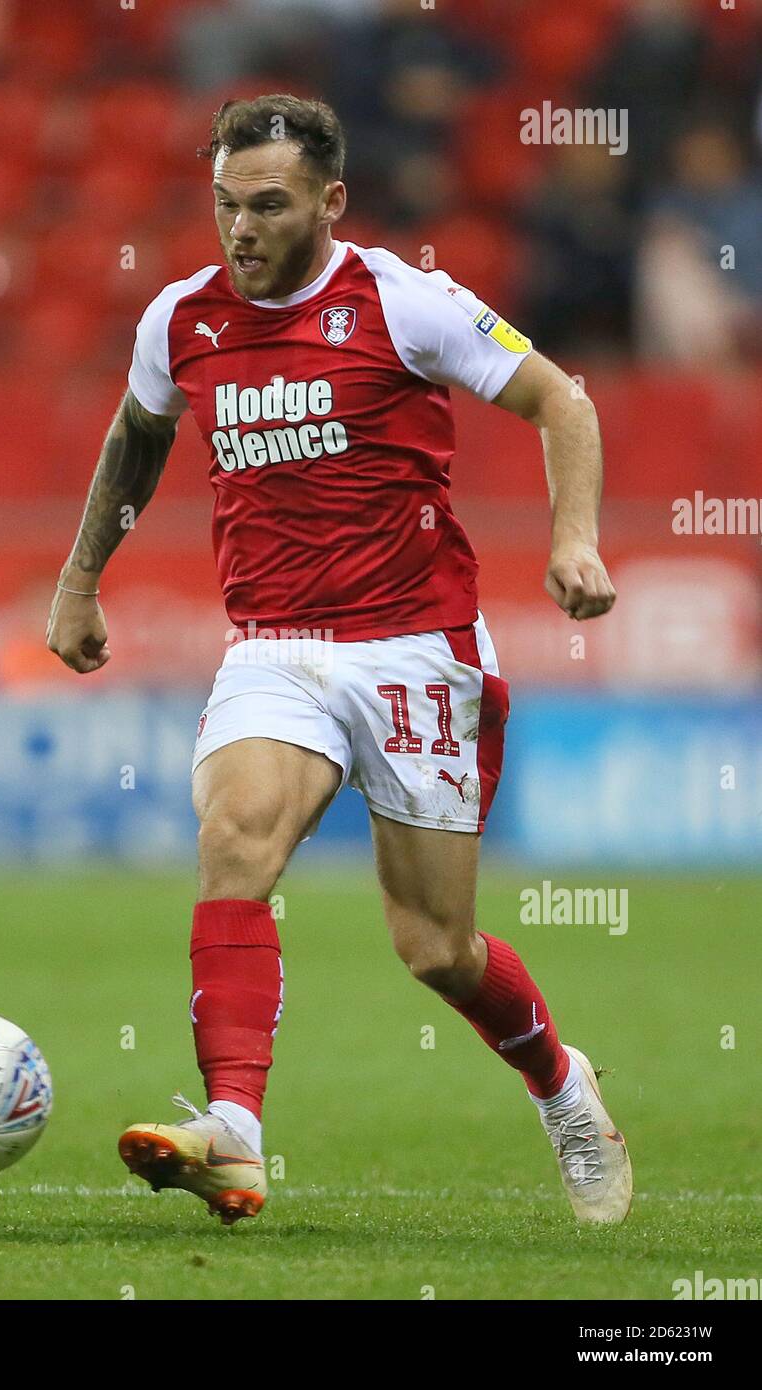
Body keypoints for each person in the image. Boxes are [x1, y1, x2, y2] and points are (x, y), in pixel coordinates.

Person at [46, 95, 631, 1227]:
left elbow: (563, 399)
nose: (242, 228)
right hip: (275, 646)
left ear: (331, 202)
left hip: (416, 643)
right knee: (236, 838)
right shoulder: (181, 319)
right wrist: (80, 578)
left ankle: (561, 1084)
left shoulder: (403, 302)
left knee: (436, 949)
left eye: (268, 204)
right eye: (226, 204)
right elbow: (138, 434)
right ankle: (235, 1130)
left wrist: (574, 539)